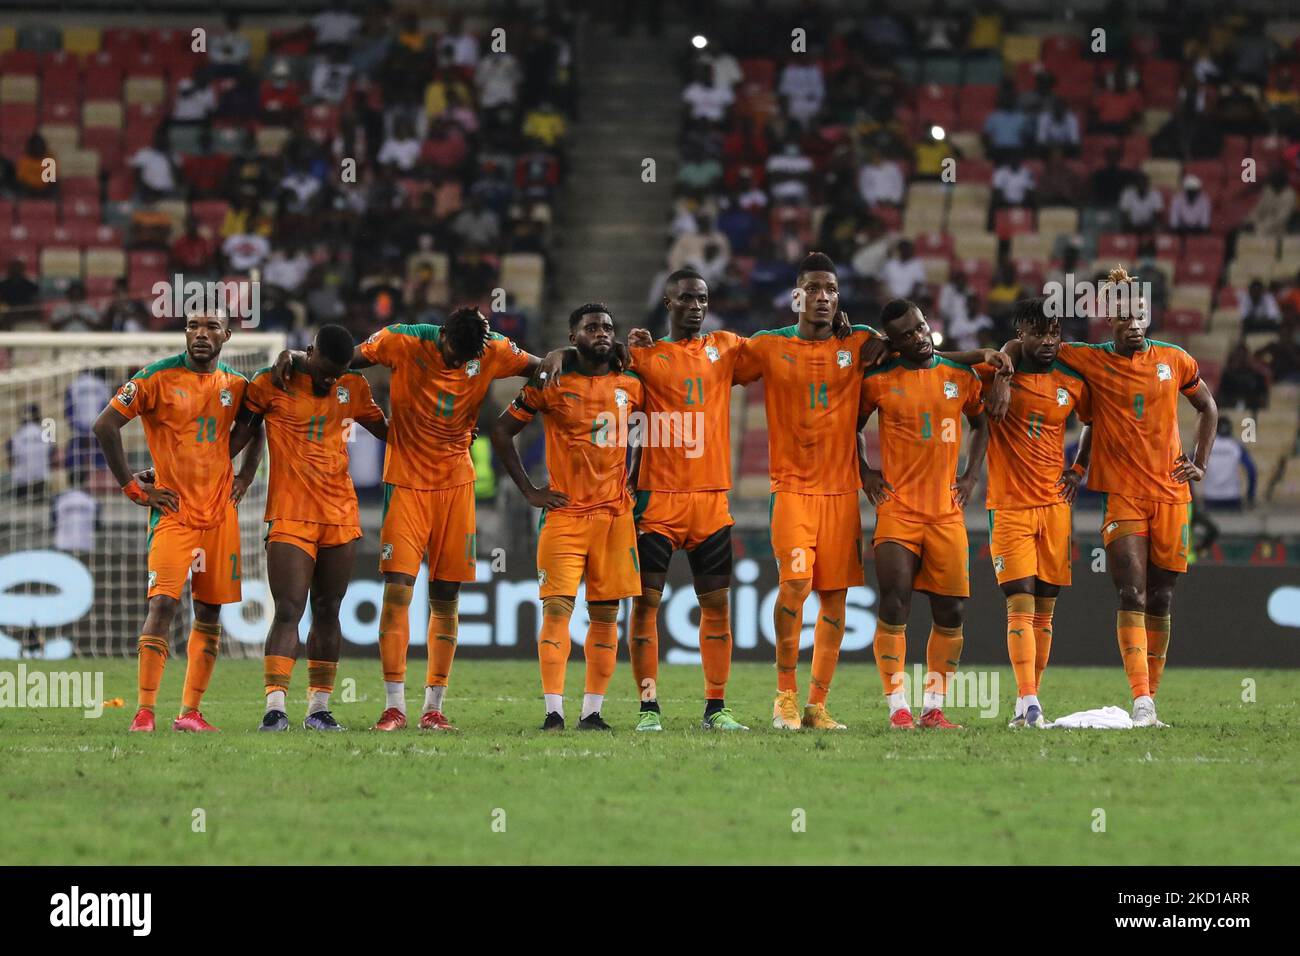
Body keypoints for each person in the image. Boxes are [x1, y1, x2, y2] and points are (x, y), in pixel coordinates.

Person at [271, 308, 571, 731]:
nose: (455, 363)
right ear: (442, 334)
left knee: (446, 597)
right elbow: (343, 358)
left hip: (457, 485)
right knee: (398, 591)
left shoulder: (493, 351)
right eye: (450, 353)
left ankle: (434, 707)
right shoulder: (402, 340)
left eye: (464, 358)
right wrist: (298, 357)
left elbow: (544, 368)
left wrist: (559, 353)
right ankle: (395, 706)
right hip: (406, 483)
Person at [990, 266, 1219, 727]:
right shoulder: (1089, 358)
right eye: (1122, 317)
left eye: (1139, 315)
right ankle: (1140, 701)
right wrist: (1004, 358)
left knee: (1162, 596)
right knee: (1132, 592)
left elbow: (1207, 407)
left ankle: (1149, 699)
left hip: (1174, 496)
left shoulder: (1175, 359)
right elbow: (1030, 340)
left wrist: (1200, 461)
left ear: (1148, 316)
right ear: (1109, 323)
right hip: (1123, 498)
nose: (1133, 323)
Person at [731, 253, 884, 730]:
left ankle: (817, 705)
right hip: (793, 491)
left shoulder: (858, 343)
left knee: (835, 601)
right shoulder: (768, 346)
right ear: (796, 295)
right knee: (794, 587)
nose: (823, 296)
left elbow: (914, 343)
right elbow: (712, 368)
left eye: (831, 289)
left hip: (842, 496)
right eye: (813, 288)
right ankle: (784, 698)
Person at [93, 311, 263, 732]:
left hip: (220, 515)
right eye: (192, 326)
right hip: (174, 512)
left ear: (227, 335)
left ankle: (190, 713)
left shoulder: (237, 386)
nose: (200, 334)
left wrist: (245, 476)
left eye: (210, 327)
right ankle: (145, 711)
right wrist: (134, 488)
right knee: (163, 604)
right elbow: (104, 425)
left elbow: (256, 424)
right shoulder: (155, 378)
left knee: (209, 612)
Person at [492, 304, 644, 731]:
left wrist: (635, 475)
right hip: (565, 515)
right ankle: (554, 712)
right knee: (557, 612)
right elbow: (502, 432)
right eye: (591, 327)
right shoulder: (551, 382)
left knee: (605, 616)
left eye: (608, 327)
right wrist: (530, 491)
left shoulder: (630, 383)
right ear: (573, 336)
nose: (602, 333)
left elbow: (647, 427)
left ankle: (592, 712)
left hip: (614, 516)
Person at [234, 325, 388, 731]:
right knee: (288, 609)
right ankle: (275, 708)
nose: (328, 380)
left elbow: (389, 431)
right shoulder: (272, 382)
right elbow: (239, 437)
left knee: (328, 609)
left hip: (340, 514)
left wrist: (444, 436)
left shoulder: (352, 387)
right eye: (323, 370)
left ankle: (318, 709)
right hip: (290, 514)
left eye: (336, 373)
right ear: (308, 352)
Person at [860, 300, 989, 730]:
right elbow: (849, 428)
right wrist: (865, 472)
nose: (918, 336)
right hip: (897, 509)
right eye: (907, 334)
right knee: (895, 603)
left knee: (951, 611)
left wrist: (971, 476)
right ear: (893, 343)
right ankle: (898, 707)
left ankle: (933, 707)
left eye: (921, 327)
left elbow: (982, 423)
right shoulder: (877, 381)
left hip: (946, 513)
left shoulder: (960, 375)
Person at [977, 298, 1091, 727]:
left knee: (1046, 606)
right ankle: (1028, 701)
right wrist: (1004, 366)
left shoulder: (1073, 379)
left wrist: (1079, 467)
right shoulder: (997, 371)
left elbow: (1093, 421)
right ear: (1020, 332)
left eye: (1054, 333)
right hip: (1008, 506)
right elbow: (940, 363)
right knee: (1019, 600)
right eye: (1037, 332)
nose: (1047, 341)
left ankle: (1029, 702)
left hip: (1055, 507)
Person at [1201, 418, 1257, 512]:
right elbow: (1251, 471)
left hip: (1211, 498)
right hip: (1232, 498)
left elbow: (1187, 468)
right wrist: (1250, 495)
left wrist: (1191, 496)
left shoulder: (1205, 445)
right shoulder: (1236, 446)